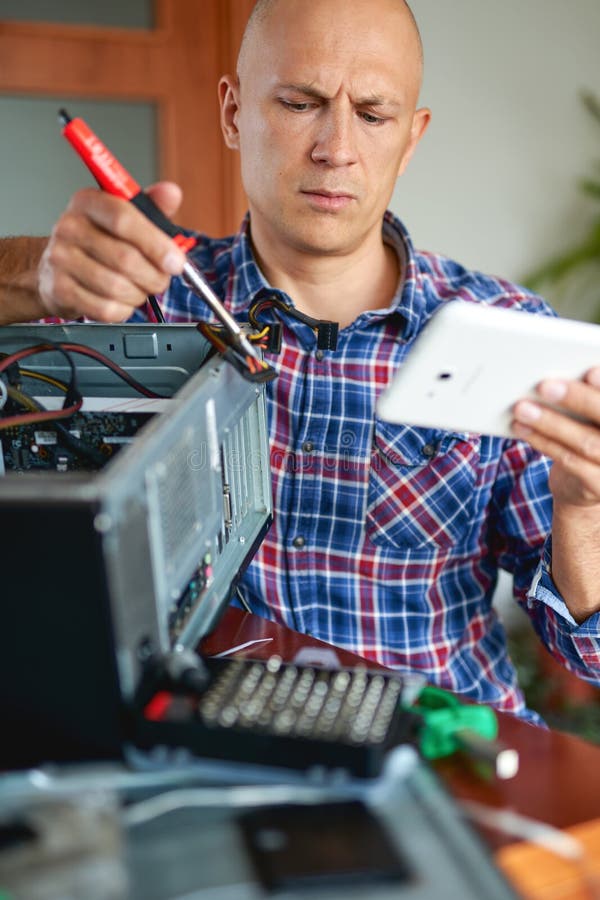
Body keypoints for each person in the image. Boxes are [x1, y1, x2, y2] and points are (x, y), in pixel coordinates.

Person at [1, 0, 599, 722]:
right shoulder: (144, 300)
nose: (336, 148)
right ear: (233, 111)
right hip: (204, 752)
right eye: (299, 102)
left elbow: (589, 653)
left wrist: (584, 510)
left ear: (412, 139)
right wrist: (32, 273)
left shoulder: (510, 336)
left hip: (438, 756)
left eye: (373, 115)